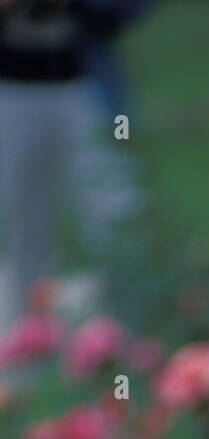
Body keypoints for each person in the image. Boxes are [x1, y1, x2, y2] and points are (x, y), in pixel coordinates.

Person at [0, 0, 153, 328]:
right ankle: (28, 346)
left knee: (116, 216)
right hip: (10, 87)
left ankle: (132, 332)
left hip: (86, 84)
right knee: (22, 224)